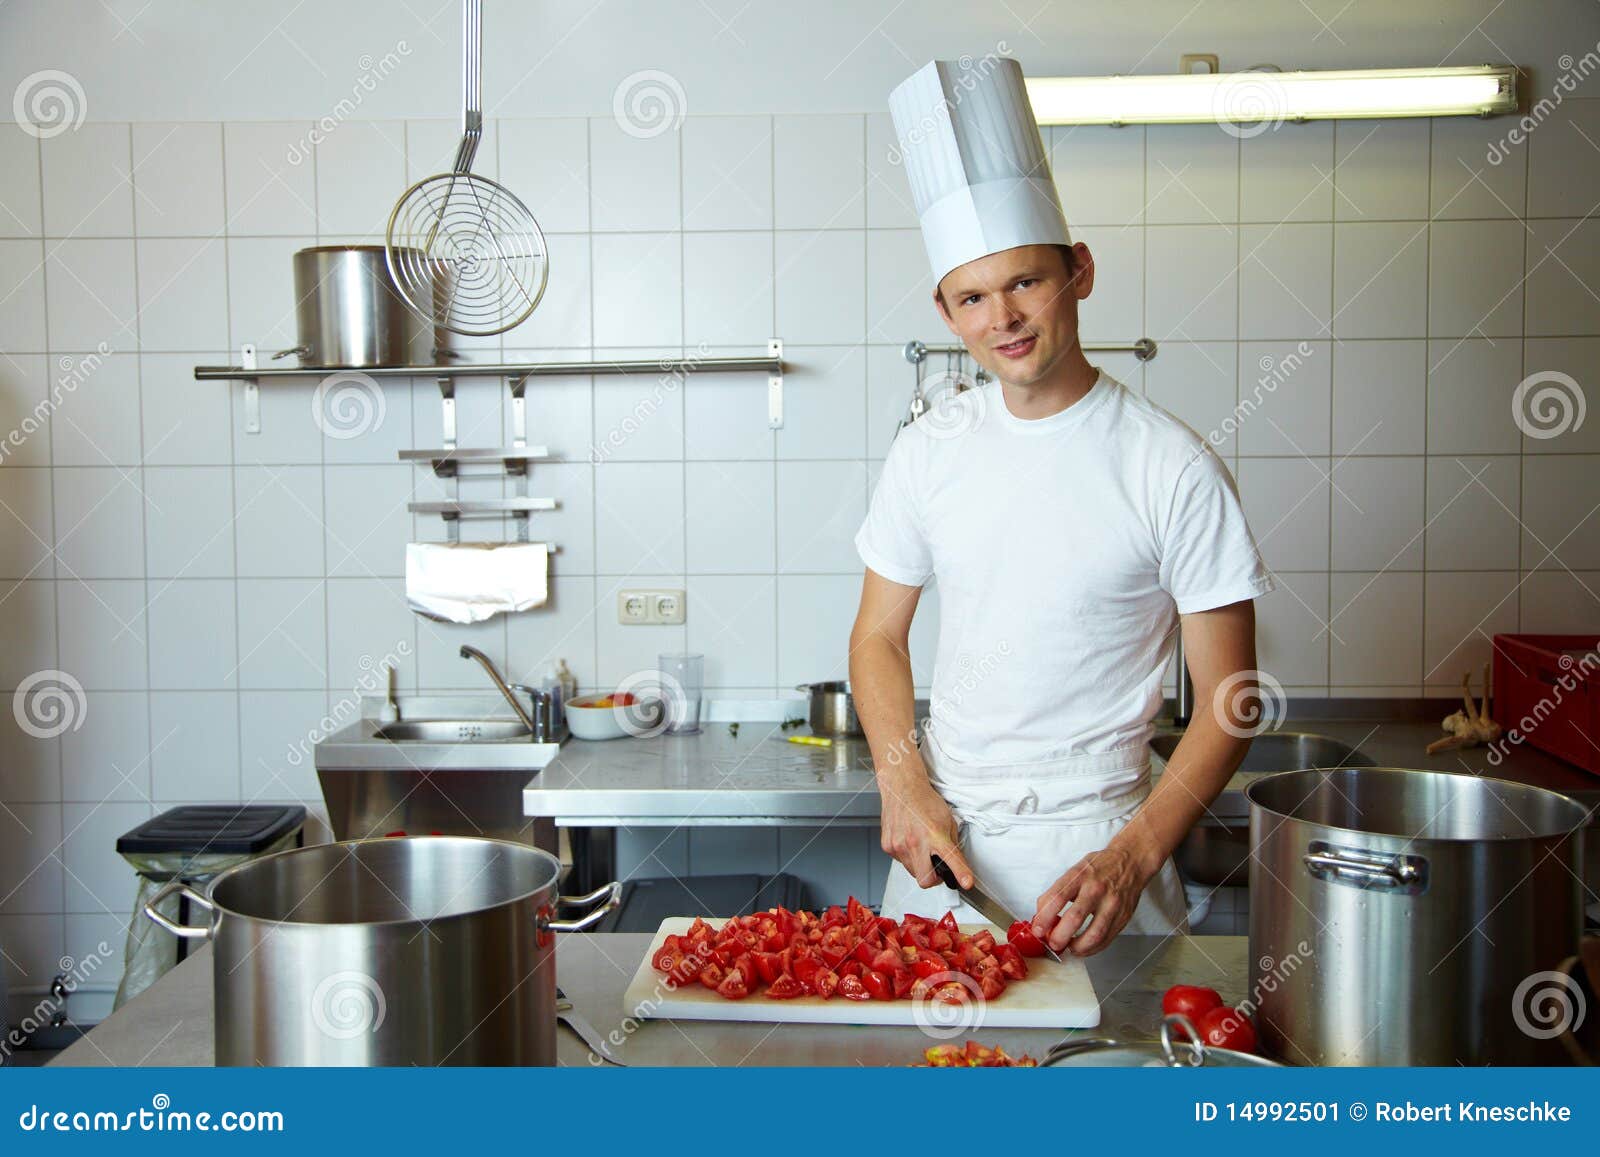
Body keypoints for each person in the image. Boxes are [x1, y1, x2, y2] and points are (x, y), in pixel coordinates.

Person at [850, 57, 1275, 956]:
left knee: (1107, 1050)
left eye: (1025, 283)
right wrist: (900, 779)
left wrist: (1133, 858)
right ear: (947, 312)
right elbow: (878, 636)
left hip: (1099, 864)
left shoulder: (1171, 465)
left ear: (1078, 271)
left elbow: (1229, 698)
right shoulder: (929, 448)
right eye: (973, 297)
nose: (1002, 317)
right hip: (942, 860)